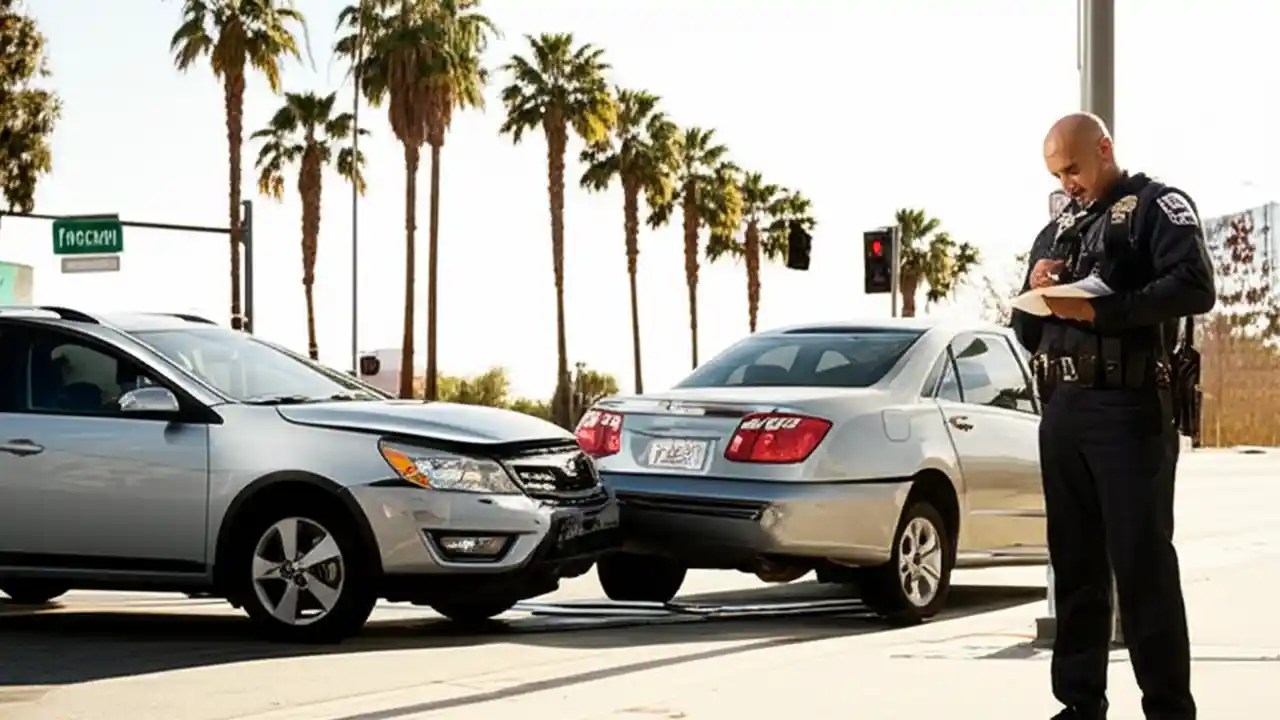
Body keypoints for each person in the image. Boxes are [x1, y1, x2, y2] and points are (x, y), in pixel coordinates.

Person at [1012, 113, 1216, 720]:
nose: (1067, 182)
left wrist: (1112, 310)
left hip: (1128, 410)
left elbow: (1194, 285)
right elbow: (1025, 329)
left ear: (1104, 149)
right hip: (1064, 413)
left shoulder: (1158, 207)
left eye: (1073, 167)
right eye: (1056, 173)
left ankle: (1169, 710)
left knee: (1141, 565)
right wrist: (1035, 284)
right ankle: (1079, 706)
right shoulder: (1057, 230)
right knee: (1074, 567)